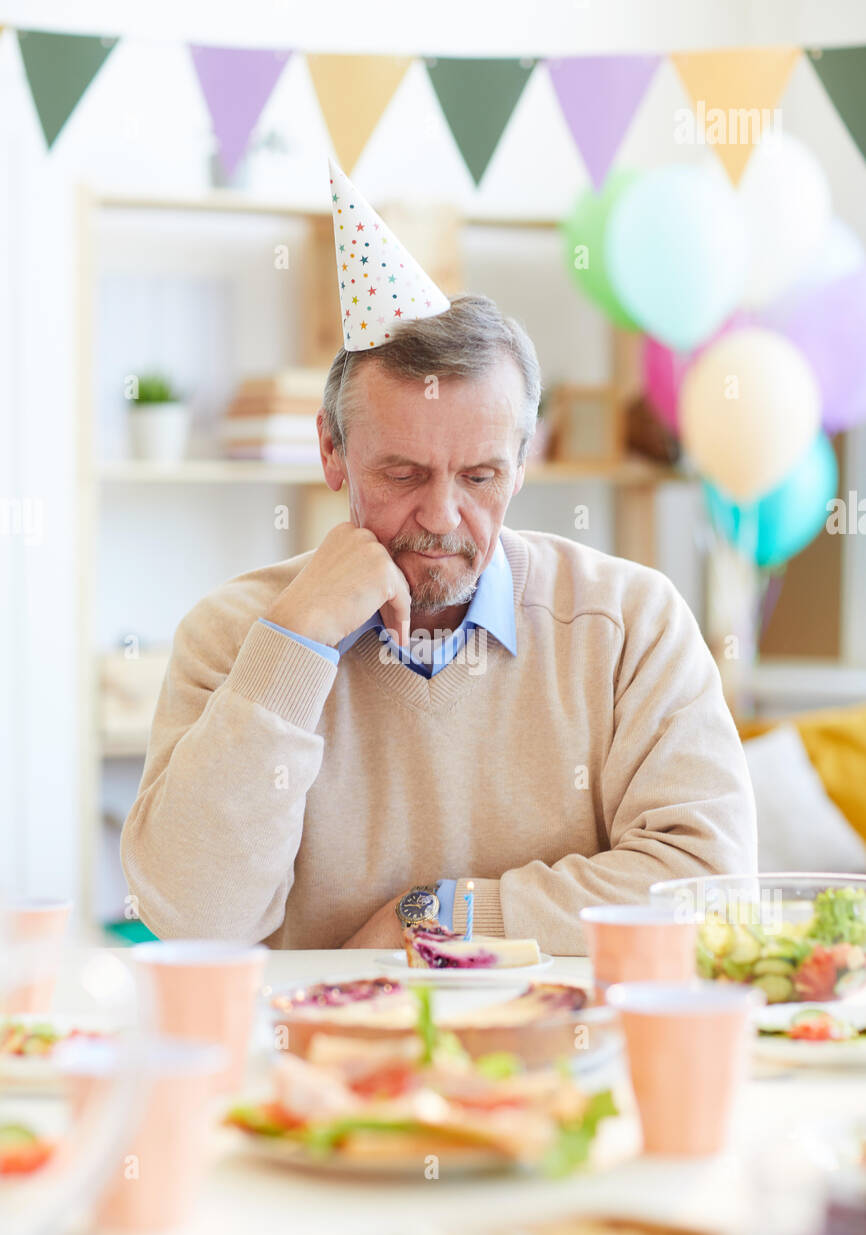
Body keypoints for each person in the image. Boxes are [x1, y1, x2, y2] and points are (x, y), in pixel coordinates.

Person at [120, 167, 756, 955]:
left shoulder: (630, 623)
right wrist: (295, 643)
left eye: (481, 477)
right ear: (332, 450)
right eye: (402, 474)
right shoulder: (234, 633)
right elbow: (193, 923)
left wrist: (435, 917)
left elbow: (709, 887)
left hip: (559, 1058)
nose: (442, 517)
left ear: (523, 463)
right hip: (323, 1061)